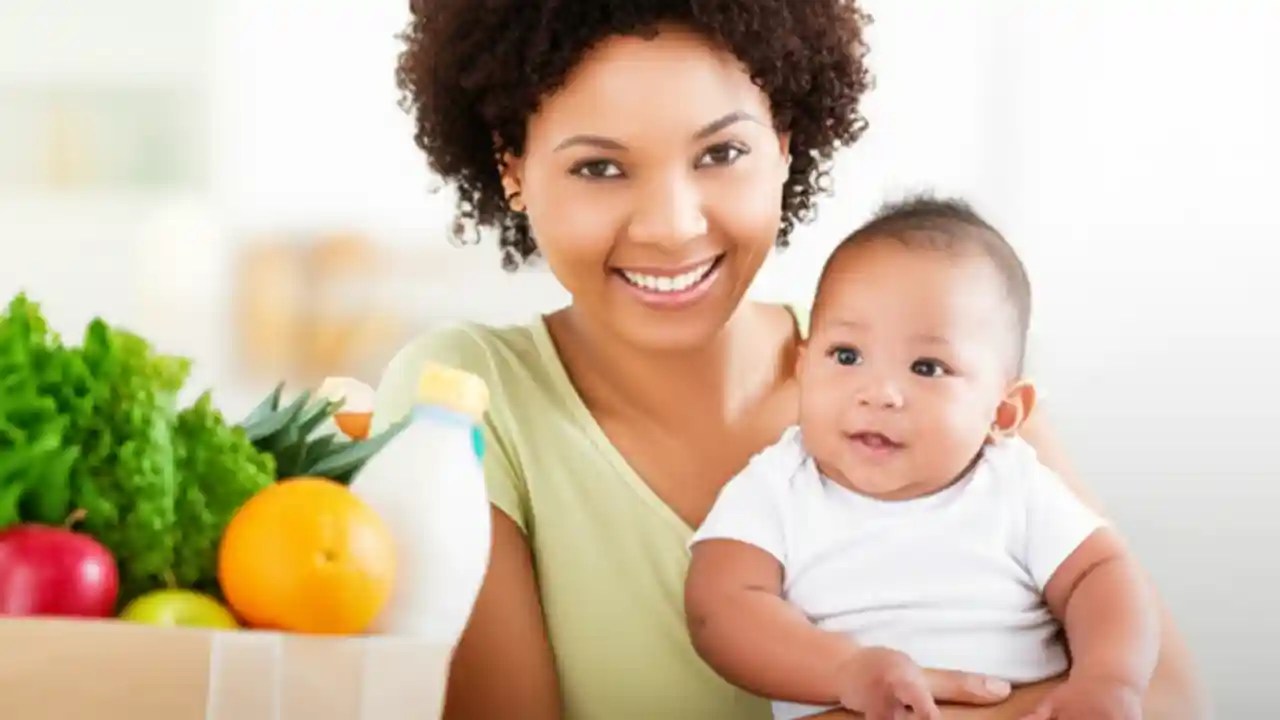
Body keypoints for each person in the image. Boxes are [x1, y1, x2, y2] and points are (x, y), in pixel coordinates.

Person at [373, 1, 1207, 718]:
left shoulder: (934, 363)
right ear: (510, 167)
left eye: (720, 153)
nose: (671, 224)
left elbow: (1163, 699)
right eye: (599, 166)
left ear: (784, 139)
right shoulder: (462, 396)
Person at [685, 196, 1159, 720]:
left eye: (928, 367)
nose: (880, 392)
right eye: (846, 356)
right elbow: (722, 609)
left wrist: (1110, 678)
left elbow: (1102, 573)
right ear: (803, 367)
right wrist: (846, 670)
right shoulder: (778, 485)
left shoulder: (1014, 483)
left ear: (1003, 412)